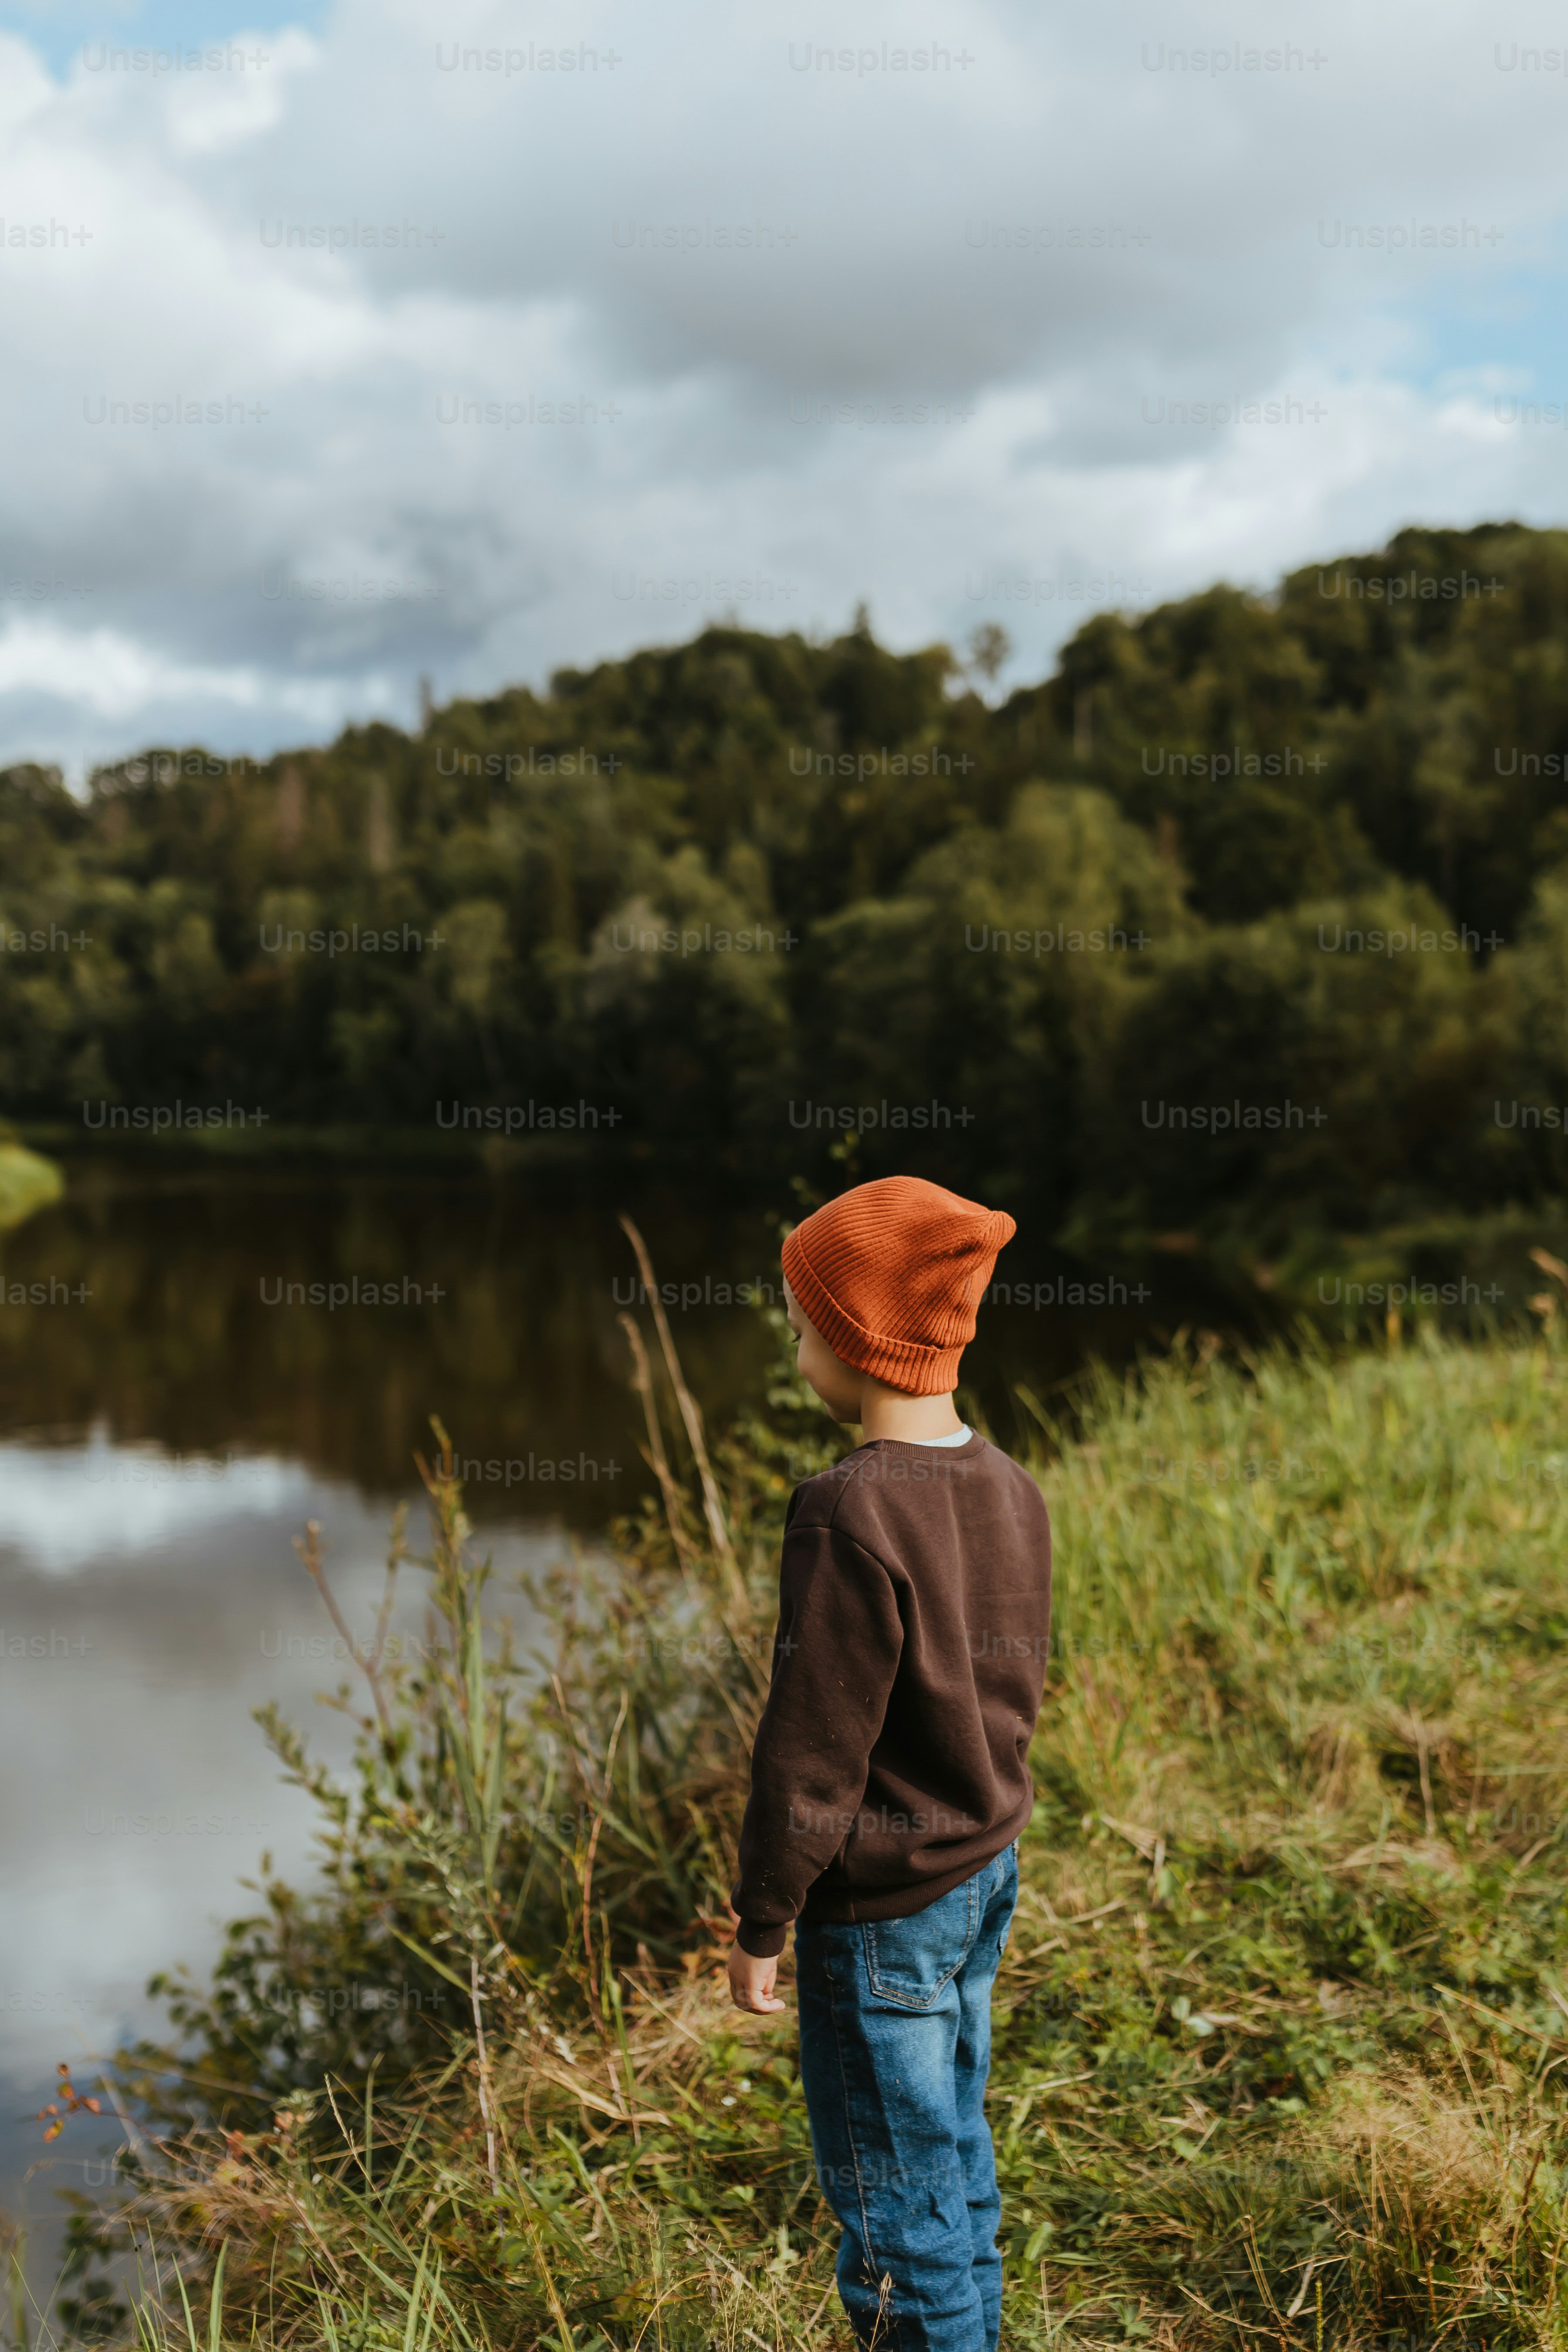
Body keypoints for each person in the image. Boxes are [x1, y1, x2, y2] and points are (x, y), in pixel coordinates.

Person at [727, 1174, 1053, 2352]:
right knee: (947, 2147)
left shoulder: (848, 1511)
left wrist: (765, 1916)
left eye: (803, 1315)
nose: (797, 1337)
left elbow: (811, 1750)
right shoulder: (1011, 1486)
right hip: (980, 1873)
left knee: (891, 2212)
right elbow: (1005, 1693)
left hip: (880, 1915)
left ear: (855, 1333)